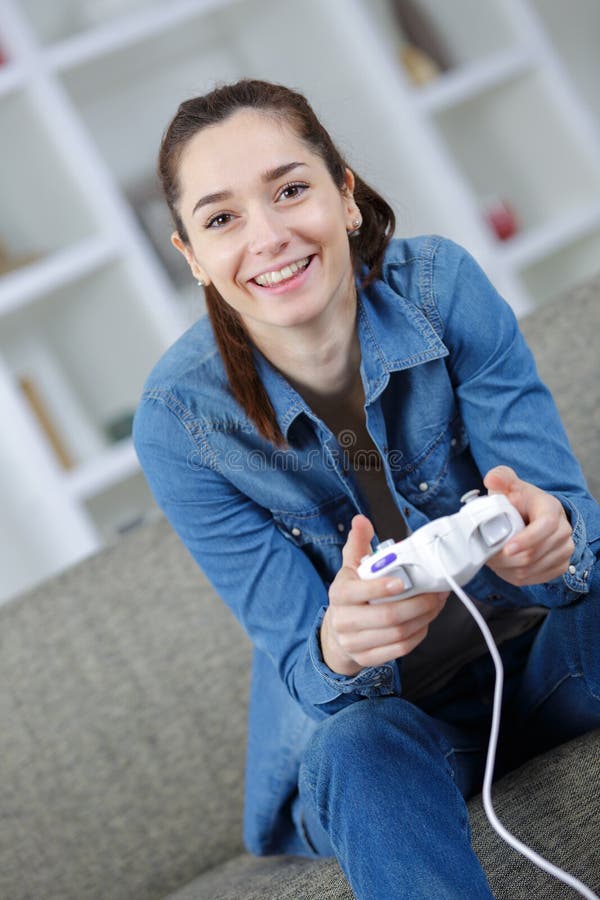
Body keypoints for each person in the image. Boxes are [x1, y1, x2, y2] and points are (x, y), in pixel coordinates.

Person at [133, 78, 600, 899]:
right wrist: (343, 642)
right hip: (402, 730)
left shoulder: (441, 288)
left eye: (290, 190)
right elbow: (305, 671)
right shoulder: (181, 425)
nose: (270, 236)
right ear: (192, 257)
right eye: (222, 218)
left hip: (542, 664)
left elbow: (577, 534)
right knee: (355, 747)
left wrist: (555, 543)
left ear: (345, 194)